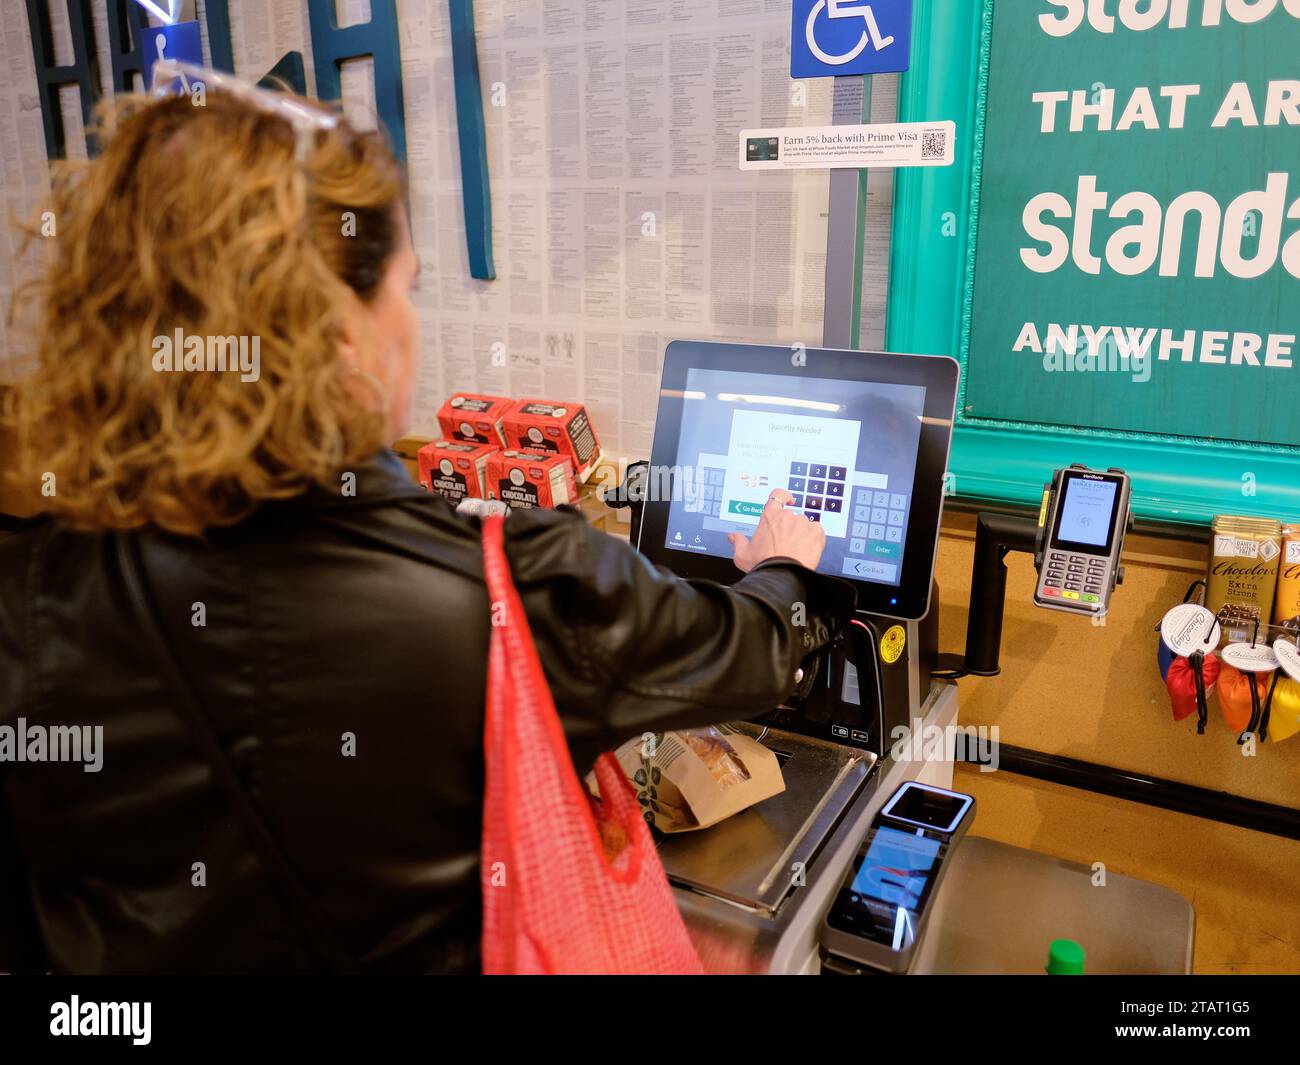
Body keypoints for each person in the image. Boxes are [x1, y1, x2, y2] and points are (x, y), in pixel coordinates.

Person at [0, 82, 854, 974]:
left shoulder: (26, 593)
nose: (409, 320)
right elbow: (748, 655)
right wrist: (789, 574)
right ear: (337, 334)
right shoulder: (501, 584)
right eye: (406, 288)